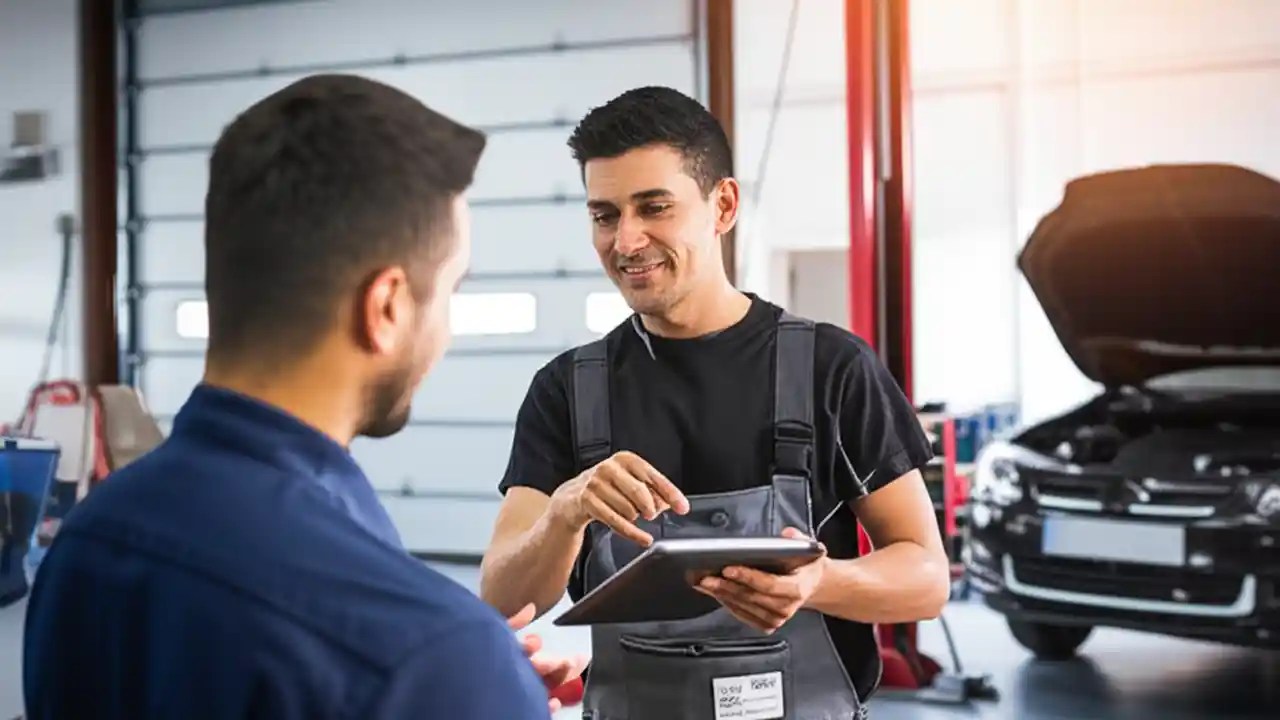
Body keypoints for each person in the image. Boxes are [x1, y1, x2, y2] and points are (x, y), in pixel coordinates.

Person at [22, 74, 585, 720]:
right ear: (387, 307)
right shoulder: (436, 655)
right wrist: (471, 683)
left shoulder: (82, 548)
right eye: (452, 290)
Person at [479, 86, 951, 719]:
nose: (626, 240)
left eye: (654, 207)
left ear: (722, 204)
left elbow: (927, 577)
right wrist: (565, 513)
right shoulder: (566, 390)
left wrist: (819, 582)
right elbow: (503, 600)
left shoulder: (831, 369)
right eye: (604, 215)